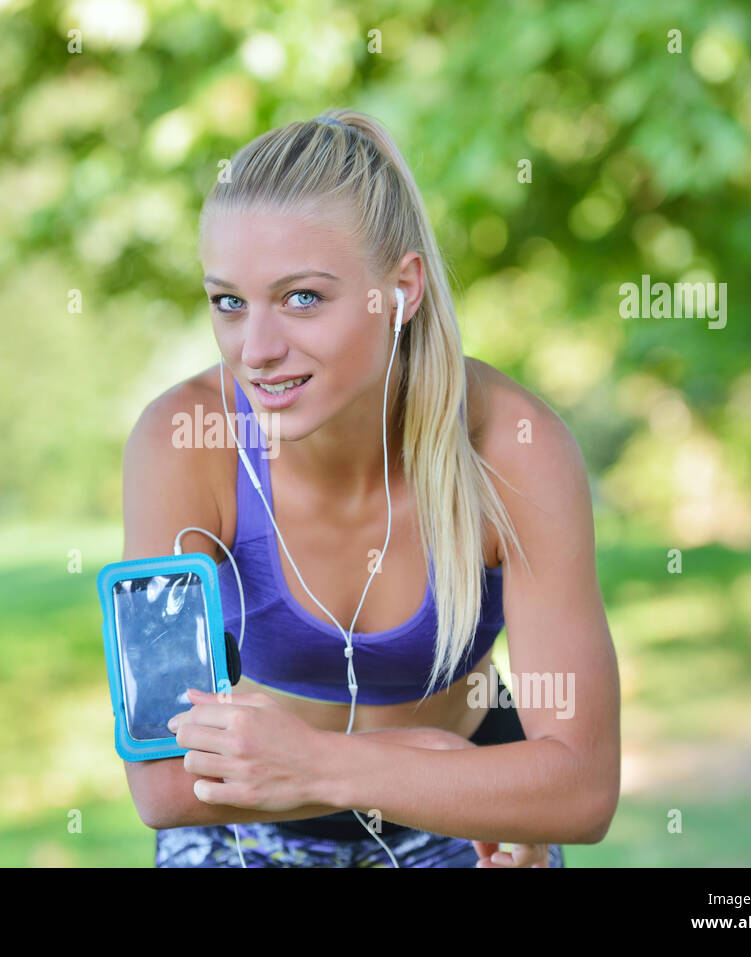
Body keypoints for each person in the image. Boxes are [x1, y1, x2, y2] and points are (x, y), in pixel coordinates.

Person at [120, 110, 620, 867]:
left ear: (403, 289)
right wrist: (427, 756)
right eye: (229, 302)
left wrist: (333, 765)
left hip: (461, 823)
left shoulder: (516, 449)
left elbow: (582, 786)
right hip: (246, 823)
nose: (255, 351)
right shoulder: (181, 442)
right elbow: (160, 781)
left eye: (302, 298)